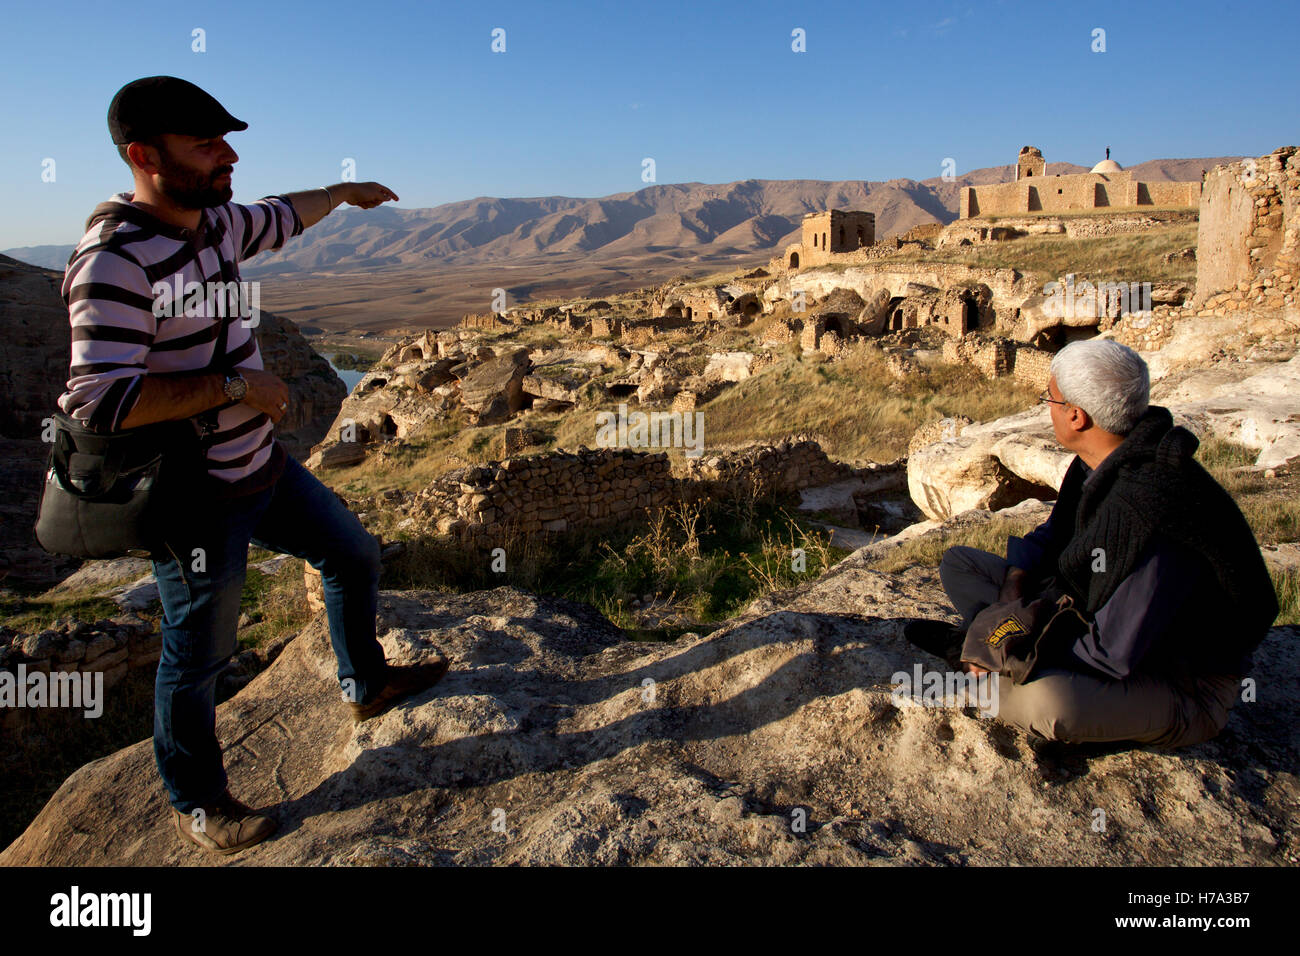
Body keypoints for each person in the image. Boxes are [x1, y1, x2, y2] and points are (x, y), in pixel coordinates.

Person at [58, 76, 449, 856]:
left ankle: (364, 683)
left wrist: (343, 192)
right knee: (198, 652)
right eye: (206, 145)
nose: (228, 155)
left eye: (227, 141)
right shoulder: (115, 261)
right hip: (194, 491)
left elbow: (280, 214)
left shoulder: (212, 224)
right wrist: (238, 385)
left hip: (257, 465)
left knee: (351, 552)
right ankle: (198, 803)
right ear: (143, 155)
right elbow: (98, 400)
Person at [905, 338, 1277, 749]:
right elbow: (1050, 537)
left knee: (1051, 705)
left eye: (1050, 398)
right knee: (961, 565)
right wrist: (1014, 589)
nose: (1046, 406)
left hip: (1175, 679)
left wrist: (1007, 646)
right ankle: (986, 648)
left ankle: (977, 666)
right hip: (1078, 606)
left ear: (1076, 416)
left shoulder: (1153, 507)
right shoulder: (1100, 463)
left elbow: (1109, 652)